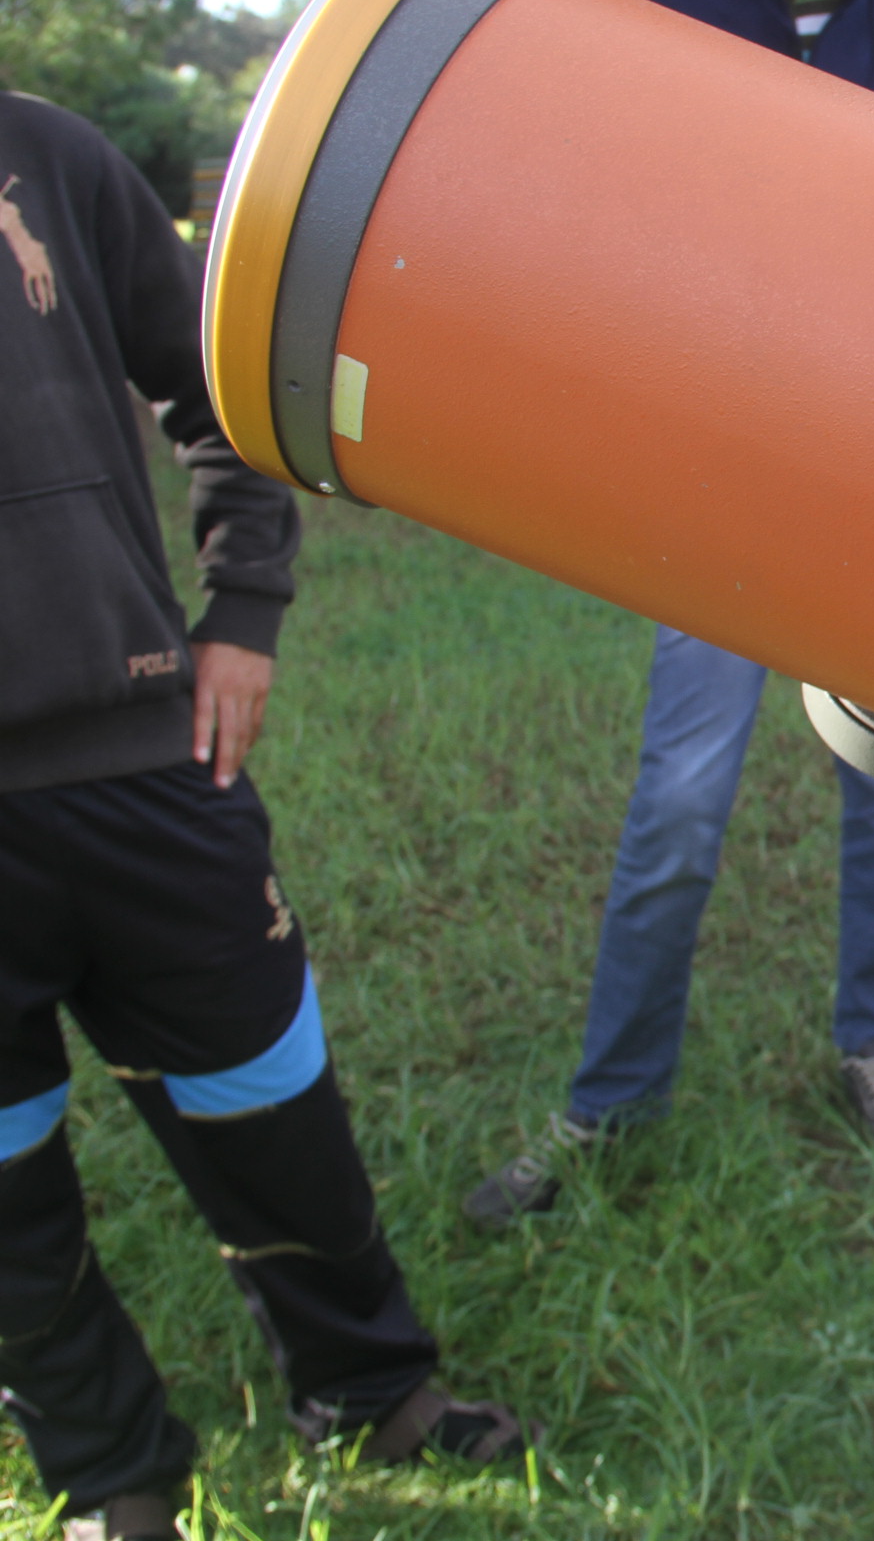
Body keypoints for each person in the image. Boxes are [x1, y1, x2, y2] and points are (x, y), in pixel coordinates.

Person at [0, 94, 523, 1541]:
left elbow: (217, 380)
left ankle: (374, 1393)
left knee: (271, 1110)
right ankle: (111, 1477)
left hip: (138, 767)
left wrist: (241, 604)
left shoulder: (49, 159)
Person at [464, 0, 874, 1229]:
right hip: (712, 486)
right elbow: (573, 222)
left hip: (865, 478)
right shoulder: (652, 10)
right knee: (681, 800)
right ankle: (613, 1100)